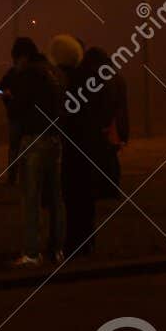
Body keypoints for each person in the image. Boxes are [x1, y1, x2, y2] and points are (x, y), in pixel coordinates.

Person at [1, 36, 65, 266]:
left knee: (31, 197)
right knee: (56, 198)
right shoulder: (54, 72)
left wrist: (8, 99)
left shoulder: (28, 74)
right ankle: (57, 249)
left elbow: (18, 107)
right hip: (55, 138)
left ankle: (31, 252)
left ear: (22, 57)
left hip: (34, 138)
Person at [53, 35, 113, 259]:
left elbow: (66, 114)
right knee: (86, 198)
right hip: (91, 144)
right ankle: (87, 241)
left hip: (74, 145)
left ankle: (74, 242)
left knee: (73, 197)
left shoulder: (71, 80)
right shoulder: (97, 79)